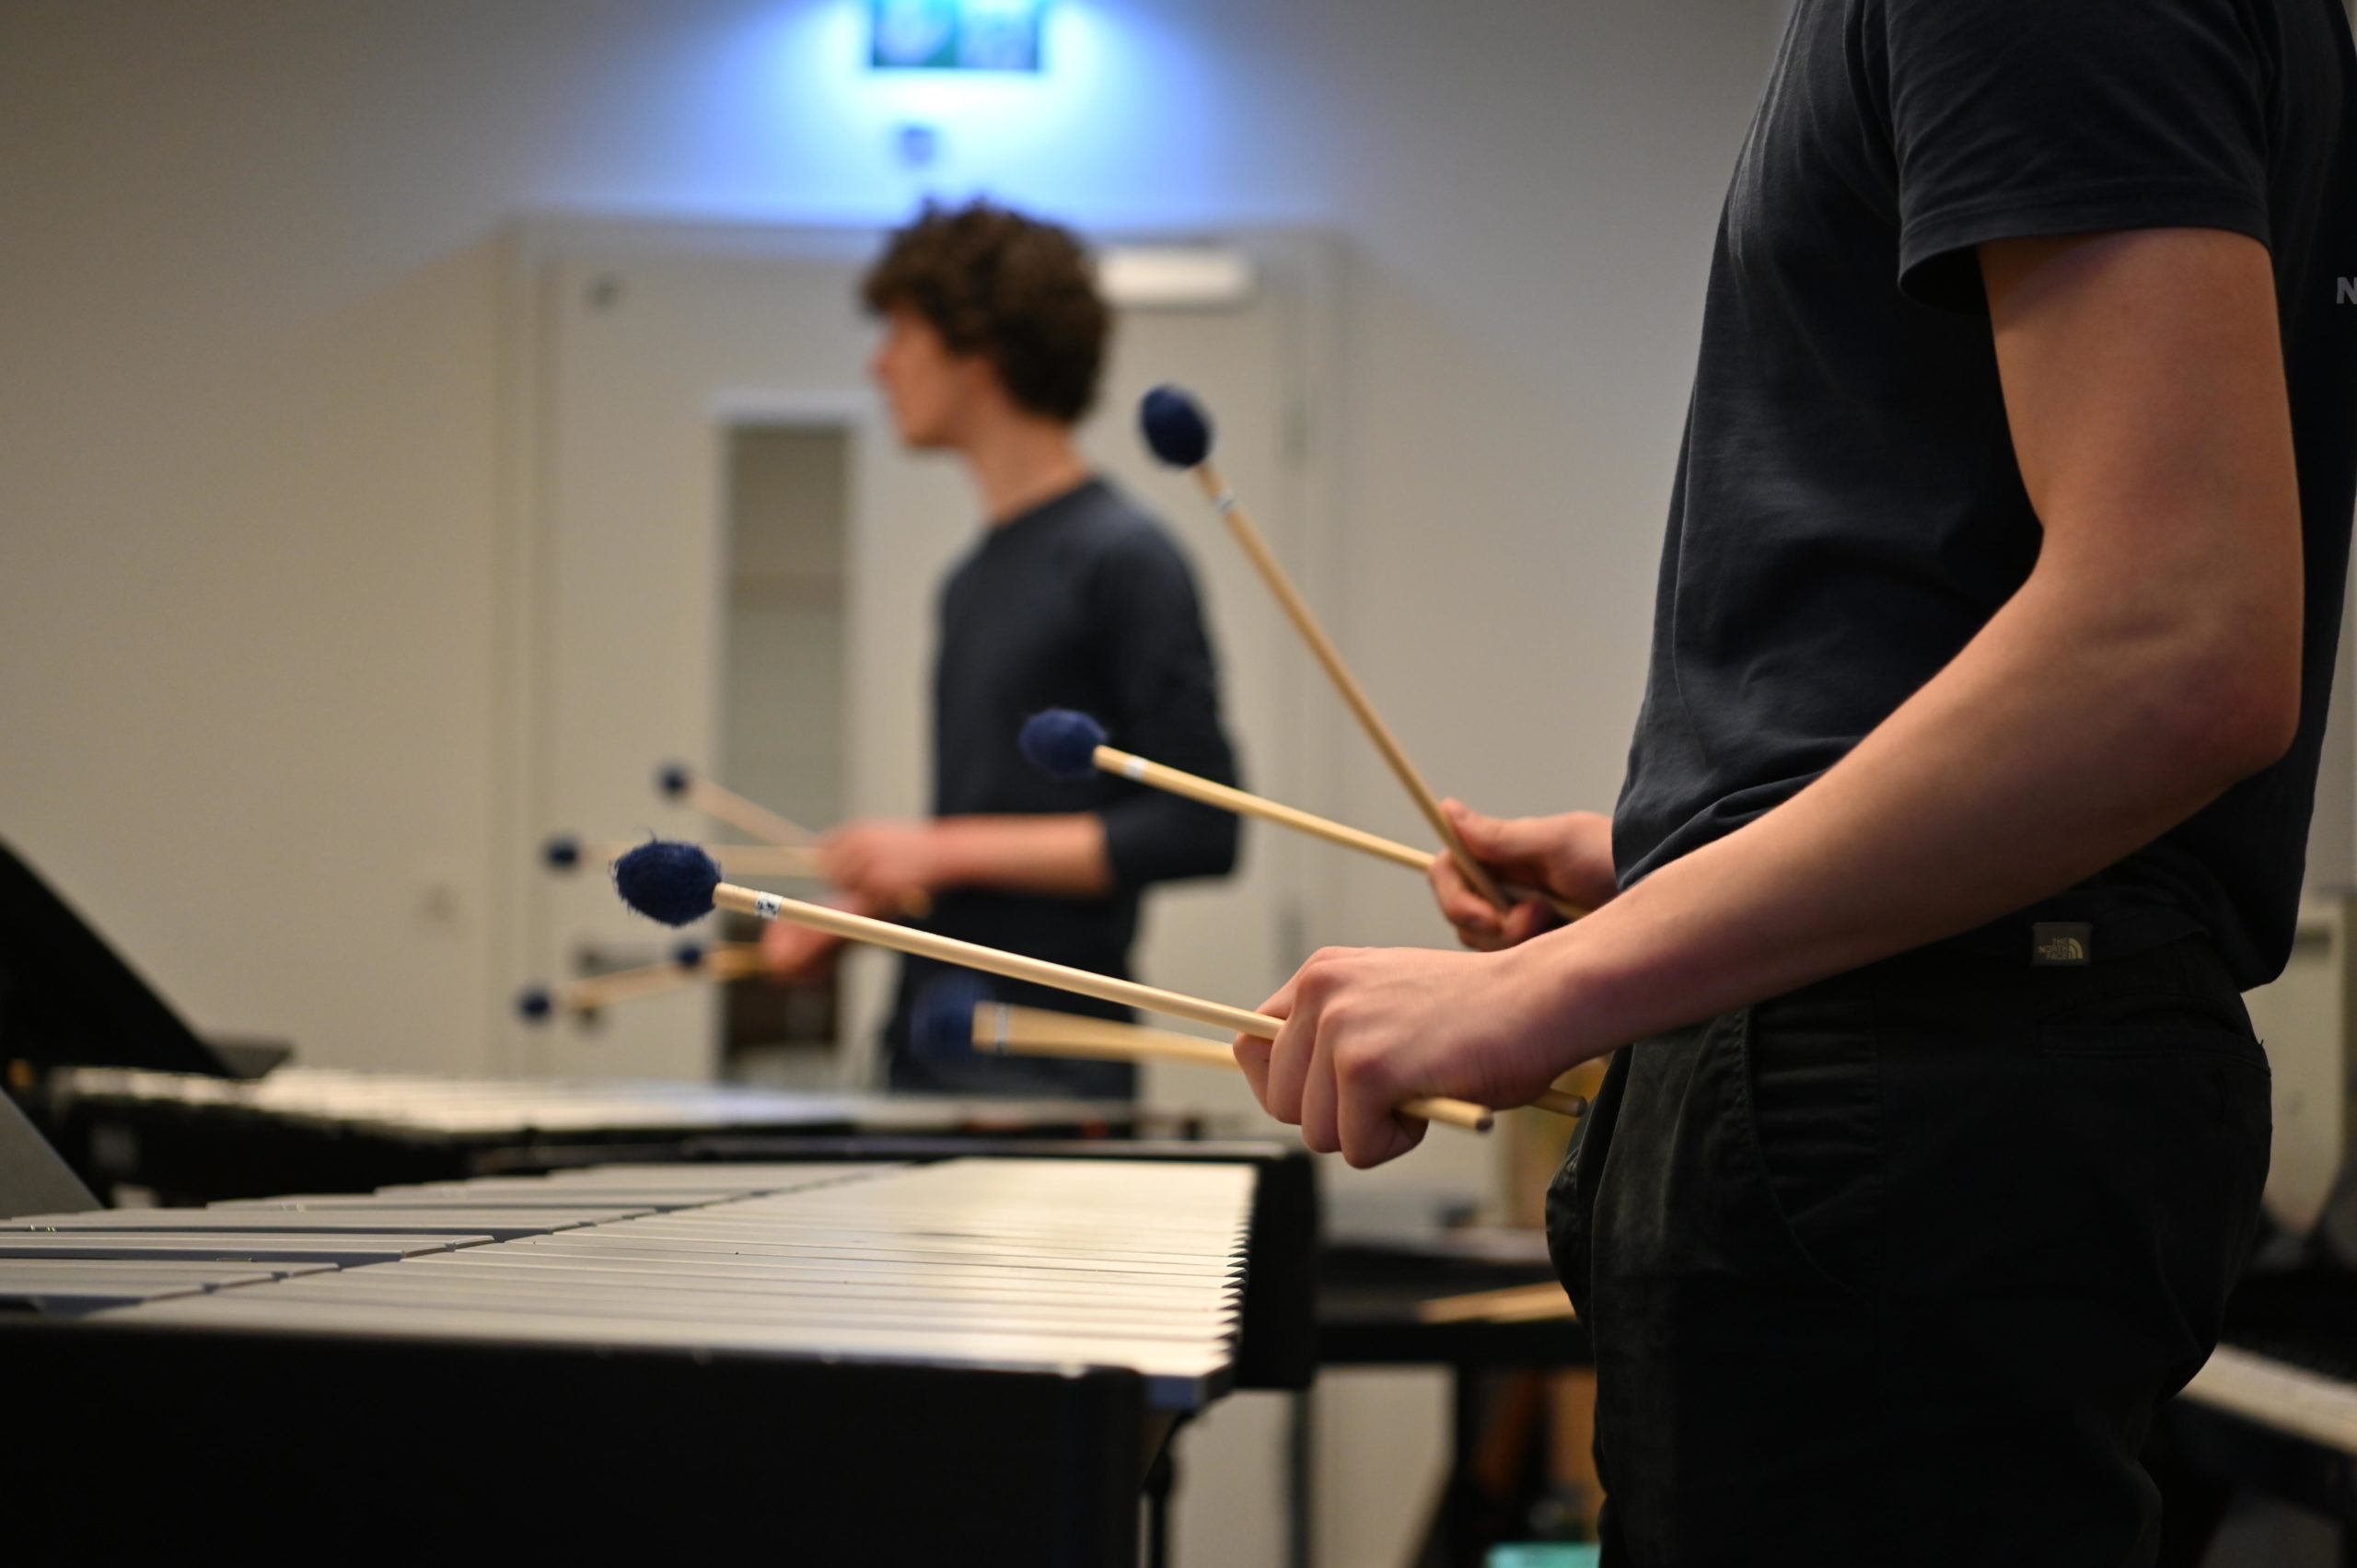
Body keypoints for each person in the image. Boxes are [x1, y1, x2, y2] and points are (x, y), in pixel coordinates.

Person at [1233, 2, 2357, 1562]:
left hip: (1906, 1099)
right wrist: (1676, 857)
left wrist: (1555, 990)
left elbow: (2179, 640)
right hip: (1922, 1066)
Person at [765, 199, 1241, 1099]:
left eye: (901, 330)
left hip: (1051, 1071)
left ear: (975, 347)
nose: (880, 361)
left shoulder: (1124, 558)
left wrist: (935, 849)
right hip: (930, 1050)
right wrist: (867, 904)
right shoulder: (971, 577)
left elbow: (1200, 825)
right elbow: (988, 836)